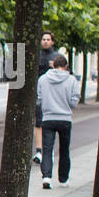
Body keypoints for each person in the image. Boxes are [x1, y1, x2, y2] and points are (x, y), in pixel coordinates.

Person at [37, 52, 79, 189]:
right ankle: (63, 178)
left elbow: (39, 98)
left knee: (47, 149)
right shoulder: (72, 80)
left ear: (53, 65)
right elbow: (74, 102)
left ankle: (47, 177)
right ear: (66, 66)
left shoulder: (43, 79)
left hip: (48, 118)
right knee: (64, 150)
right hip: (65, 119)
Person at [34, 31, 57, 165]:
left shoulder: (57, 56)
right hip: (39, 94)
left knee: (50, 122)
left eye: (48, 39)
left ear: (52, 42)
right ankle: (39, 150)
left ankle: (49, 149)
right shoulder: (37, 56)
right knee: (38, 122)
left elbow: (66, 72)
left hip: (52, 95)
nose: (46, 41)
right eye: (43, 39)